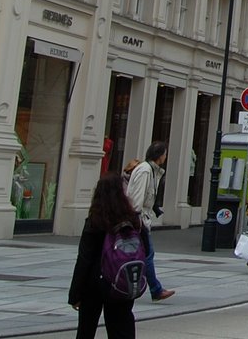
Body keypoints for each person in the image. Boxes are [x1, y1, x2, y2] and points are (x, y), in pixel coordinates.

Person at [70, 173, 146, 339]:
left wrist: (75, 294)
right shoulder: (133, 220)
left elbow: (84, 259)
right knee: (122, 327)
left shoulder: (95, 221)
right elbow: (143, 251)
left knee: (86, 329)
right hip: (121, 278)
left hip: (95, 282)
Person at [124, 142, 175, 301]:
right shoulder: (146, 171)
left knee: (139, 254)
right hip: (139, 219)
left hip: (141, 218)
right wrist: (137, 219)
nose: (166, 157)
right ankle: (155, 289)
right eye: (165, 154)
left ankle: (149, 288)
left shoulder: (151, 170)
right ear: (159, 156)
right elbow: (137, 198)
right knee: (147, 254)